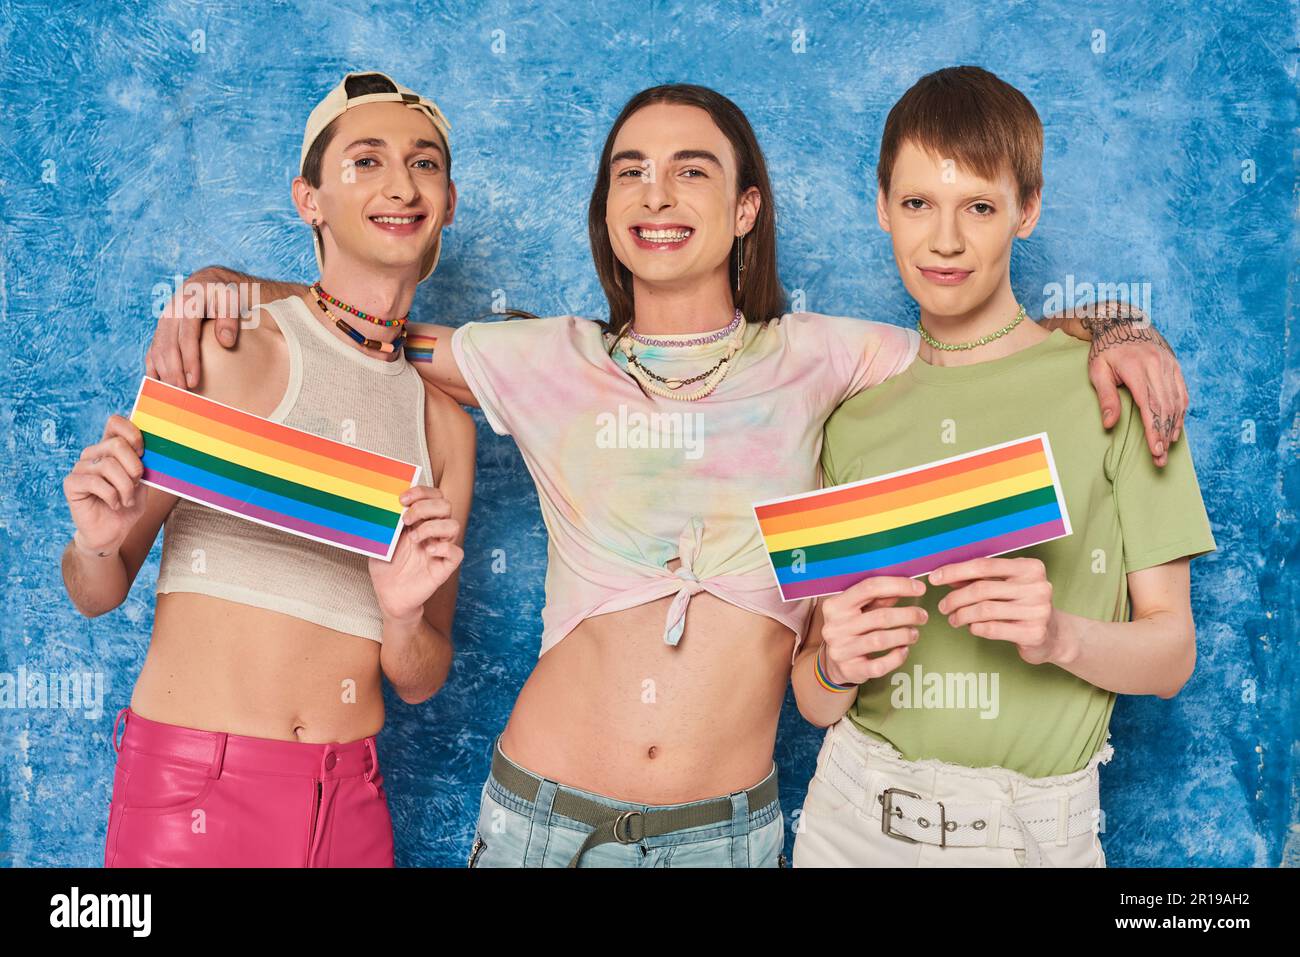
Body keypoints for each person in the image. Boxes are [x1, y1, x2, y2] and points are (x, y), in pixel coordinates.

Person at [143, 83, 1188, 868]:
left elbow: (974, 334)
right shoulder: (536, 358)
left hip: (726, 833)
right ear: (605, 211)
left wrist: (1106, 325)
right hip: (538, 818)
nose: (656, 192)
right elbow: (366, 326)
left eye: (692, 169)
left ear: (744, 209)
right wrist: (237, 284)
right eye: (629, 172)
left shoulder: (826, 356)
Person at [790, 65, 1216, 867]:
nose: (944, 240)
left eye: (979, 207)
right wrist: (835, 664)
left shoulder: (1114, 379)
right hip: (851, 820)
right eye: (917, 203)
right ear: (882, 205)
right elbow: (813, 696)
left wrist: (1059, 635)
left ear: (1028, 210)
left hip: (1035, 834)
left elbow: (1173, 655)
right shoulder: (851, 413)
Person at [61, 71, 474, 867]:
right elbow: (97, 591)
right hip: (193, 794)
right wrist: (97, 544)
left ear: (448, 202)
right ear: (307, 198)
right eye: (366, 161)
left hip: (350, 799)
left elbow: (421, 676)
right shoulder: (228, 344)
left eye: (424, 164)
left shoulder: (445, 429)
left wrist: (398, 619)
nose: (401, 183)